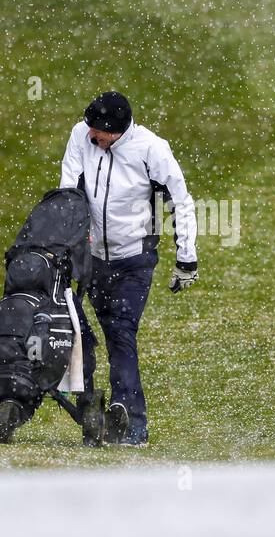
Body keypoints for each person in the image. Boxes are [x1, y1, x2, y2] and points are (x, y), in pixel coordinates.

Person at [60, 91, 198, 446]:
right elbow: (68, 190)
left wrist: (187, 258)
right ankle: (92, 414)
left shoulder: (152, 150)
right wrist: (63, 241)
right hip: (90, 258)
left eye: (99, 133)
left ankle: (132, 423)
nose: (92, 136)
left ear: (117, 131)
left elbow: (180, 201)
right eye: (90, 129)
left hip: (133, 260)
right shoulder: (82, 135)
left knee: (121, 334)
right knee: (80, 335)